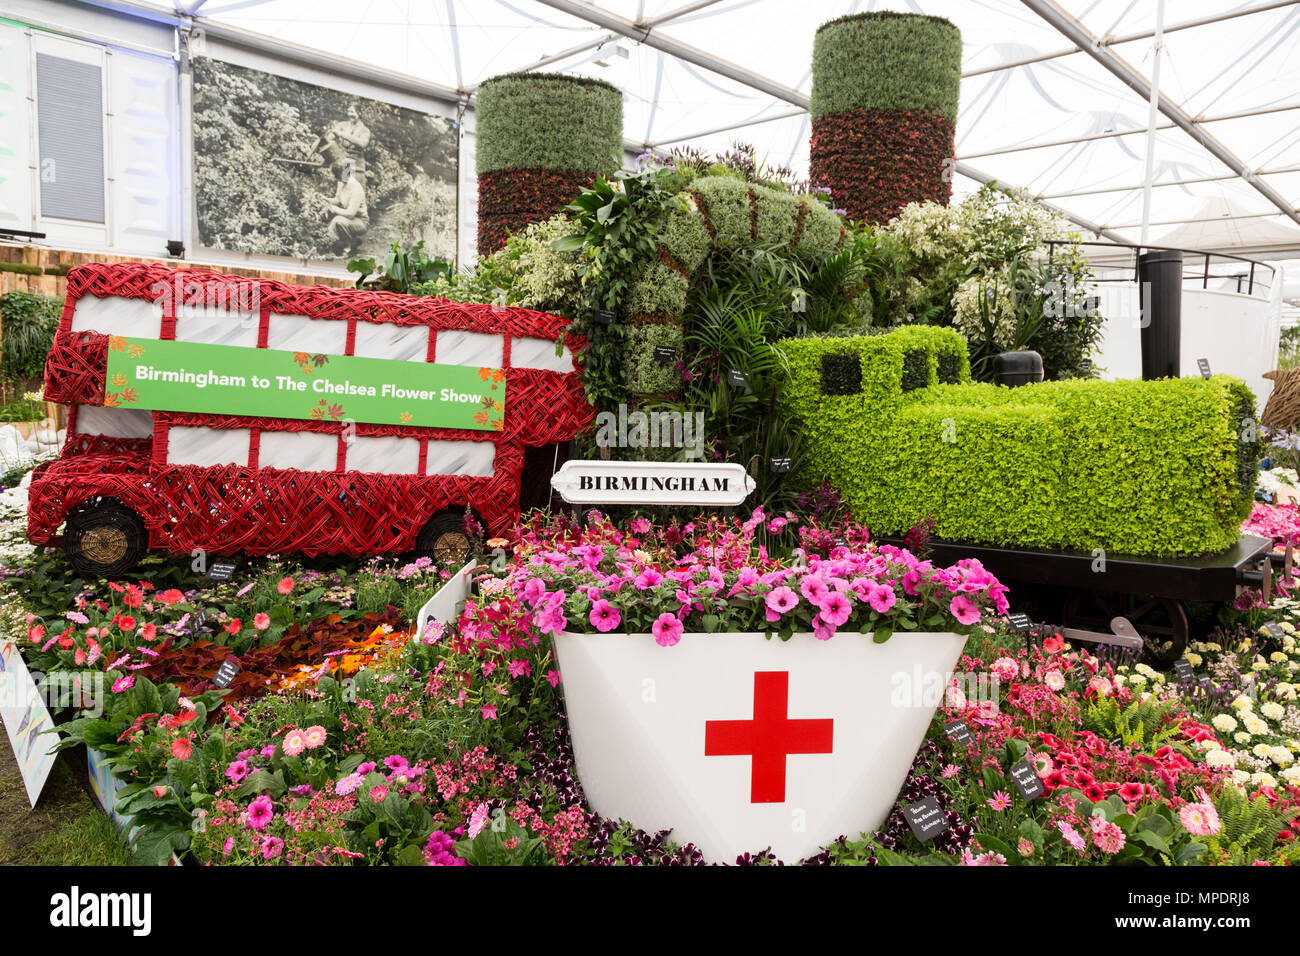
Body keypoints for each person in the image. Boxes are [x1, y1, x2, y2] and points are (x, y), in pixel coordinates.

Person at [326, 160, 369, 256]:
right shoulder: (341, 183)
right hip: (350, 219)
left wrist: (334, 209)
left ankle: (348, 249)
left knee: (338, 221)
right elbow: (338, 199)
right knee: (333, 220)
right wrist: (326, 200)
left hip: (360, 221)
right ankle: (352, 241)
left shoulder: (355, 188)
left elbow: (350, 213)